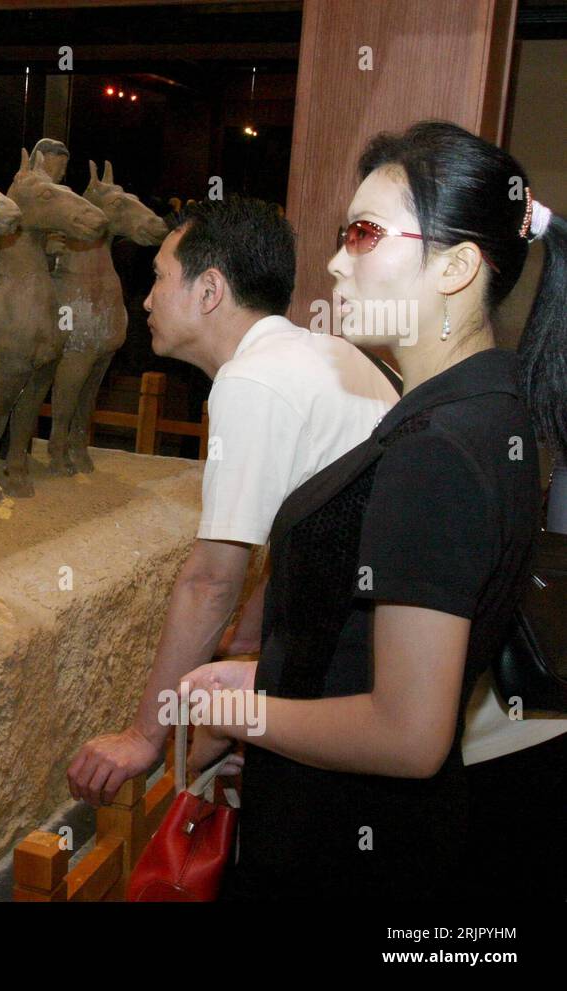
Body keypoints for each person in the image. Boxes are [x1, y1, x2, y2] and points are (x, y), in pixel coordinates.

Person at [183, 120, 566, 899]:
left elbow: (407, 731)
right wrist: (271, 676)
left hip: (338, 847)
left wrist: (240, 709)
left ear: (457, 267)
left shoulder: (440, 446)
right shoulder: (493, 406)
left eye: (362, 235)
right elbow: (376, 642)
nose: (332, 263)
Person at [67, 197, 398, 806]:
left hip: (354, 687)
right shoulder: (326, 354)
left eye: (160, 279)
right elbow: (307, 536)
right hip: (381, 665)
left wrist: (144, 736)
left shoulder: (252, 383)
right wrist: (245, 652)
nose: (146, 301)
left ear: (209, 289)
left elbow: (211, 581)